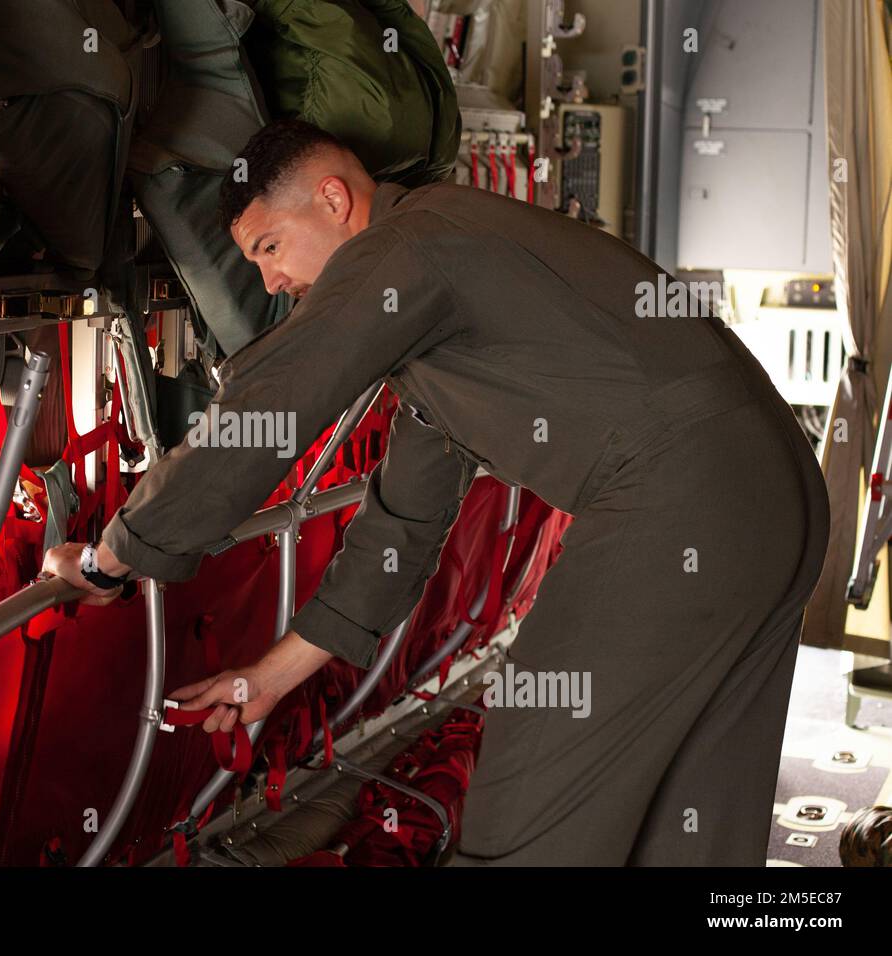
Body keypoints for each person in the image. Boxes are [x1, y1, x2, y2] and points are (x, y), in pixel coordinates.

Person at [42, 118, 830, 865]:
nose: (275, 282)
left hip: (683, 494)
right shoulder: (441, 292)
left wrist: (115, 556)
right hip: (772, 493)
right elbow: (402, 525)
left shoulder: (407, 245)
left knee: (532, 772)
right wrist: (271, 675)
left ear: (332, 197)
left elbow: (269, 404)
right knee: (692, 822)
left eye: (270, 247)